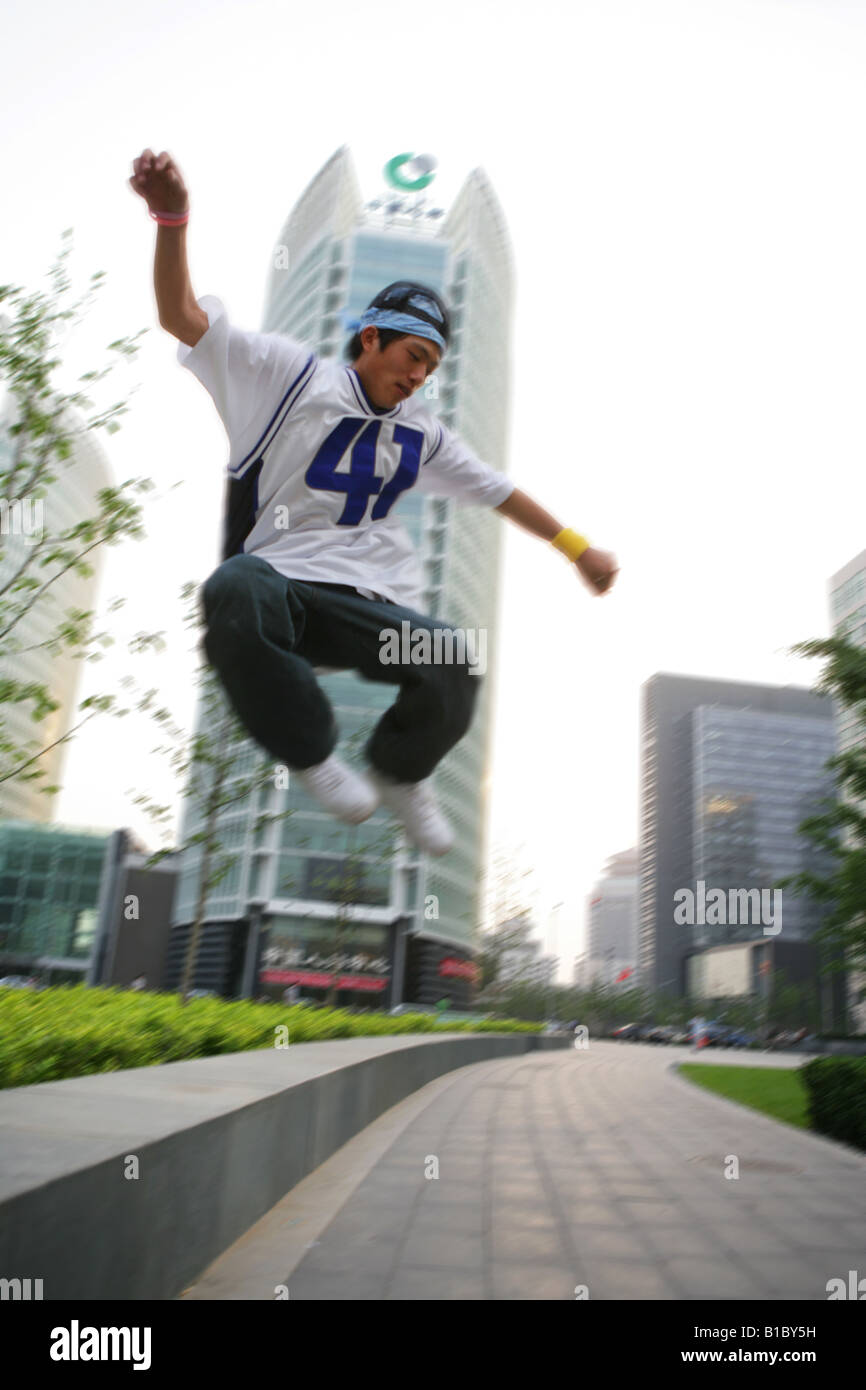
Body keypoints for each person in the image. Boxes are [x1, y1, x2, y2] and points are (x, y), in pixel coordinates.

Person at [129, 149, 619, 855]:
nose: (419, 377)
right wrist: (171, 218)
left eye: (431, 367)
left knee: (453, 657)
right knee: (233, 586)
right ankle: (312, 757)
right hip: (282, 594)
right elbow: (179, 315)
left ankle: (399, 770)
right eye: (412, 357)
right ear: (370, 340)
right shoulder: (288, 376)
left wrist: (578, 551)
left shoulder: (424, 434)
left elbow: (500, 491)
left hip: (363, 604)